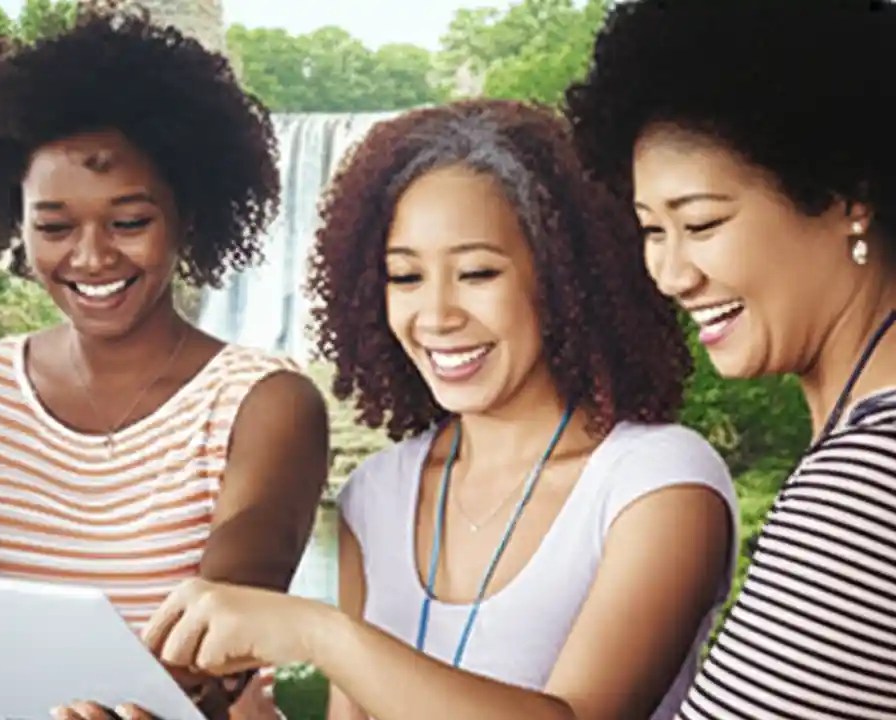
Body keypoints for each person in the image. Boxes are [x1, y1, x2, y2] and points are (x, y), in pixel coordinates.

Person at [137, 98, 738, 720]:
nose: (437, 317)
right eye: (405, 277)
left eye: (477, 273)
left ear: (564, 279)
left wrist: (317, 634)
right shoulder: (377, 493)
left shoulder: (658, 483)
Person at [0, 4, 329, 719]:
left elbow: (232, 601)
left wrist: (143, 695)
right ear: (14, 223)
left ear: (189, 216)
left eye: (129, 221)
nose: (92, 256)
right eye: (54, 225)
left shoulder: (264, 403)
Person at [563, 1, 896, 717]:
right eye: (652, 230)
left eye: (702, 224)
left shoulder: (869, 484)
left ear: (847, 197)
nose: (671, 273)